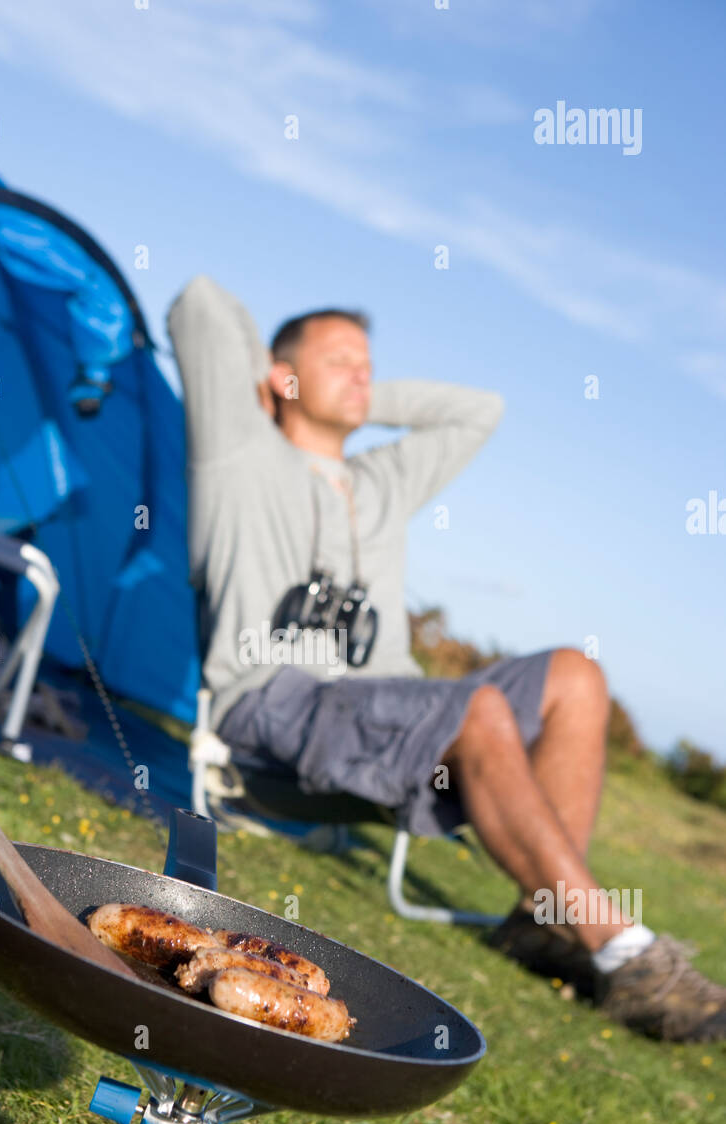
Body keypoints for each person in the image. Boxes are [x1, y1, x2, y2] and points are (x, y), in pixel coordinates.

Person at [167, 274, 726, 1042]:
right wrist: (269, 385)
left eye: (369, 361)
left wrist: (359, 396)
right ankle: (630, 955)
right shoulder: (238, 454)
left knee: (575, 675)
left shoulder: (381, 482)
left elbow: (478, 412)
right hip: (275, 705)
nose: (362, 373)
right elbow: (198, 303)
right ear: (280, 374)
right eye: (339, 359)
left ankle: (542, 918)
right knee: (476, 708)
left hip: (392, 710)